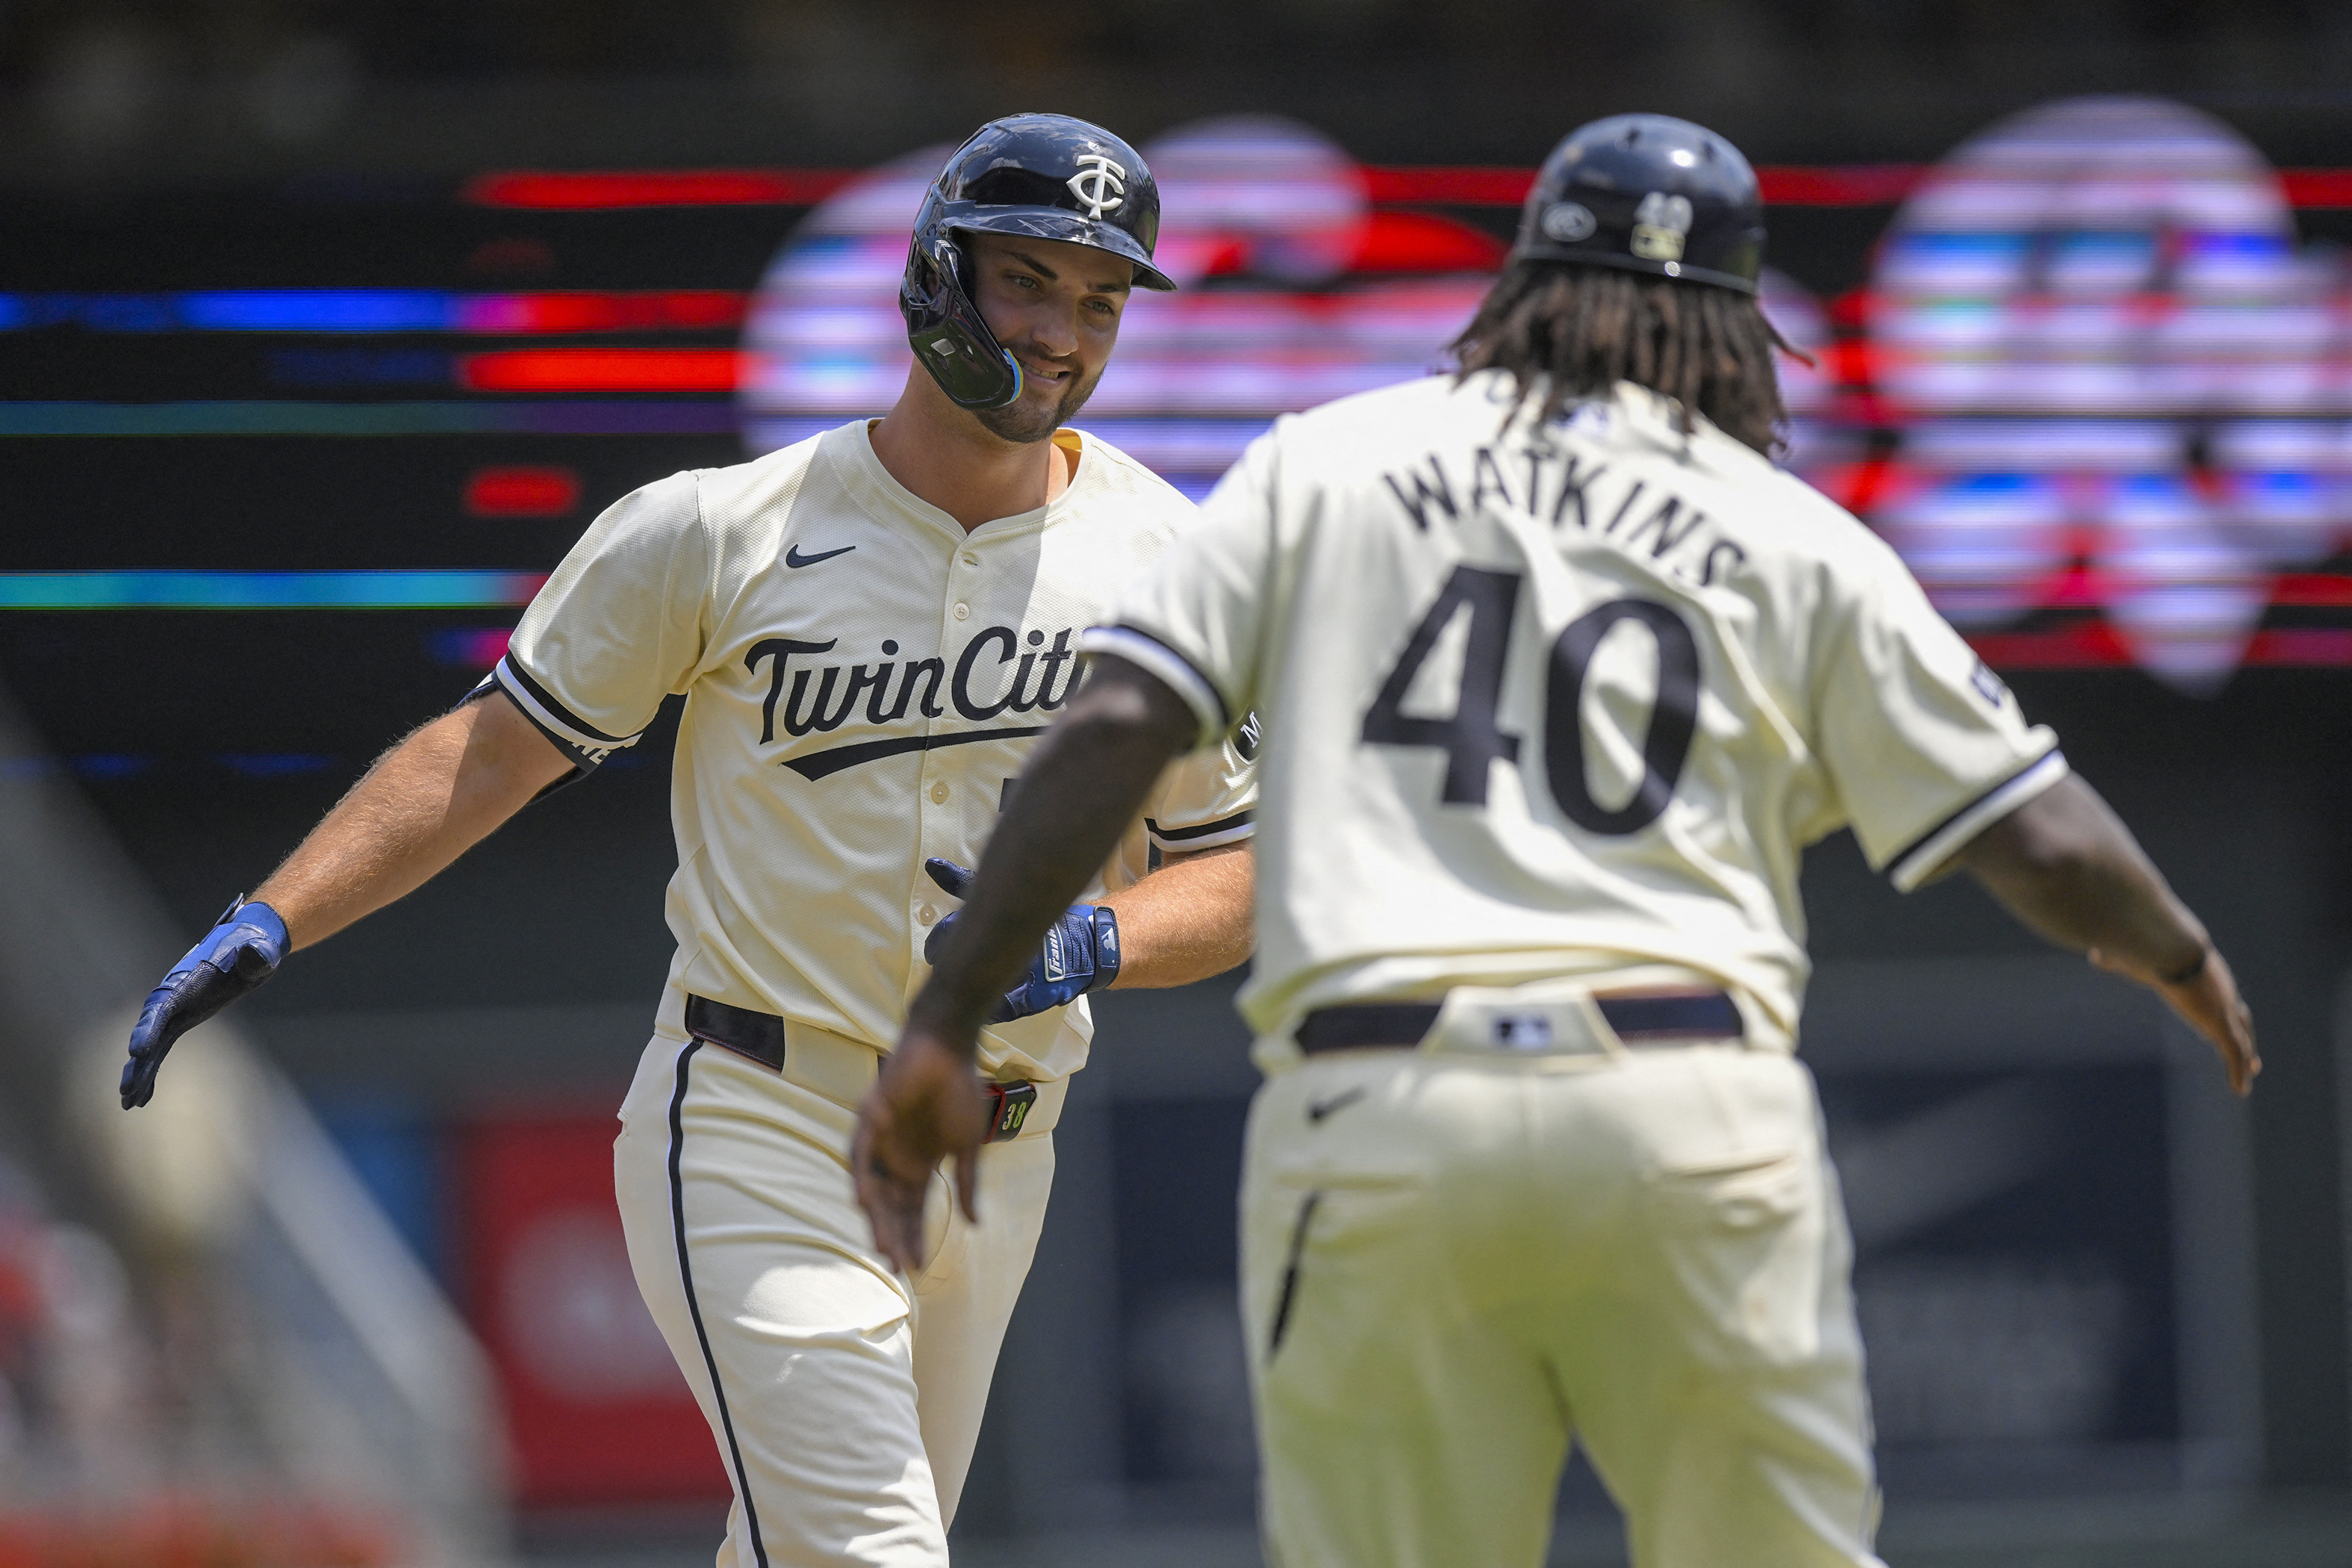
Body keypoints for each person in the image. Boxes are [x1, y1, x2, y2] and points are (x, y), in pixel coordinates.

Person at [852, 113, 2259, 1568]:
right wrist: (2177, 948)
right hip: (1690, 1114)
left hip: (1383, 1115)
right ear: (1731, 315)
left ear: (1521, 283)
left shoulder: (1330, 461)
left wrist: (947, 1019)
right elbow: (2039, 832)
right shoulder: (1783, 524)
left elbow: (1111, 729)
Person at [117, 113, 1258, 1567]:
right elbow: (488, 754)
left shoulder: (1172, 564)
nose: (1061, 332)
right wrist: (273, 916)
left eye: (1099, 300)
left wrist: (1098, 937)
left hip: (997, 1149)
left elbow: (1238, 870)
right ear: (934, 275)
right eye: (1027, 279)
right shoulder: (718, 531)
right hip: (764, 1116)